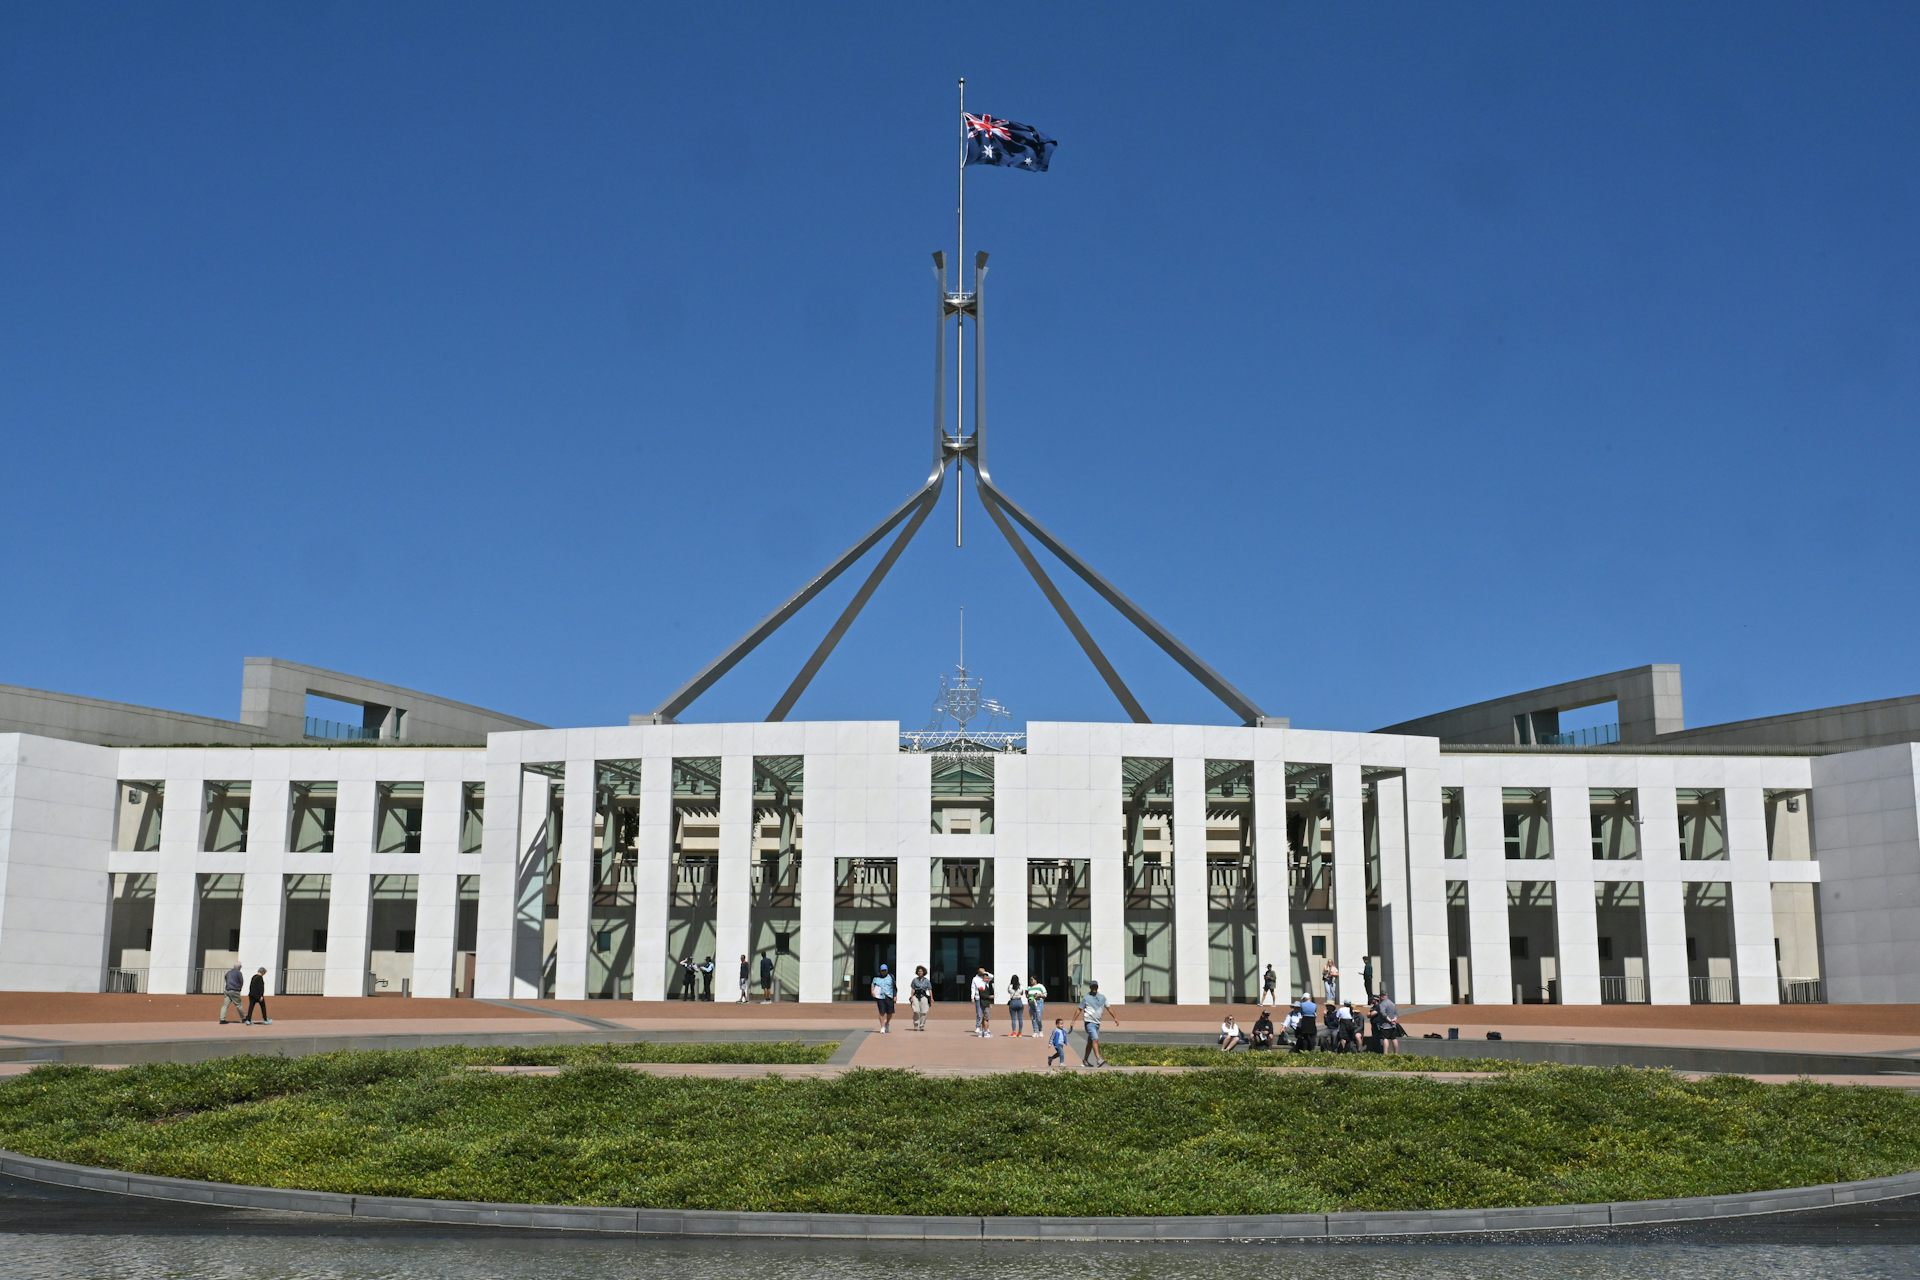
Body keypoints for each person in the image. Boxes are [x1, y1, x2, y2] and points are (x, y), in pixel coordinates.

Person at [1075, 980, 1117, 1067]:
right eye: (1093, 987)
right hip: (1089, 1022)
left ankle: (1085, 1060)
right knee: (1095, 1039)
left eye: (1095, 987)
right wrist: (1073, 1021)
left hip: (1097, 1023)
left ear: (1097, 987)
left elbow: (1109, 1008)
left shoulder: (1102, 998)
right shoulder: (1086, 998)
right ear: (1090, 988)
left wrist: (1115, 1018)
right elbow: (1079, 1009)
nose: (1094, 988)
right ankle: (1098, 1059)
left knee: (1090, 1042)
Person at [871, 962, 896, 1033]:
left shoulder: (891, 977)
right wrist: (872, 991)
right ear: (880, 971)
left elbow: (894, 987)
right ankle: (882, 1026)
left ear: (887, 970)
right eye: (882, 970)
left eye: (885, 970)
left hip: (889, 996)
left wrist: (895, 996)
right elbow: (873, 985)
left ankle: (887, 1023)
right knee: (881, 1012)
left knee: (890, 1012)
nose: (883, 972)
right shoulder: (876, 978)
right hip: (880, 997)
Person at [970, 966, 995, 1038]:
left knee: (986, 1014)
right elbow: (973, 988)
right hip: (978, 997)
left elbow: (992, 976)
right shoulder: (975, 979)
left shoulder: (985, 978)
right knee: (979, 1013)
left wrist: (985, 972)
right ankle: (978, 1027)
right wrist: (972, 997)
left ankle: (985, 1029)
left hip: (985, 999)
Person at [1376, 989, 1402, 1054]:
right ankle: (1396, 1053)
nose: (1379, 997)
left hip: (1385, 1025)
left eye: (1380, 996)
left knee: (1385, 1038)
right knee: (1394, 1038)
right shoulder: (1392, 1003)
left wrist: (1390, 1021)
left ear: (1382, 996)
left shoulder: (1382, 1004)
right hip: (1393, 1025)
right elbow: (1396, 1014)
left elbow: (1383, 1014)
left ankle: (1385, 1053)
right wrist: (1394, 1020)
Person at [909, 964, 934, 1031]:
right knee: (916, 1011)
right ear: (917, 972)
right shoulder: (914, 980)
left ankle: (922, 1025)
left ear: (924, 972)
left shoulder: (927, 981)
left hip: (923, 996)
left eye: (921, 971)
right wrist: (911, 997)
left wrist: (931, 998)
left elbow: (930, 989)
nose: (920, 972)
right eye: (919, 971)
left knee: (924, 1012)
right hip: (916, 996)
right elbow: (913, 989)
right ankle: (916, 1024)